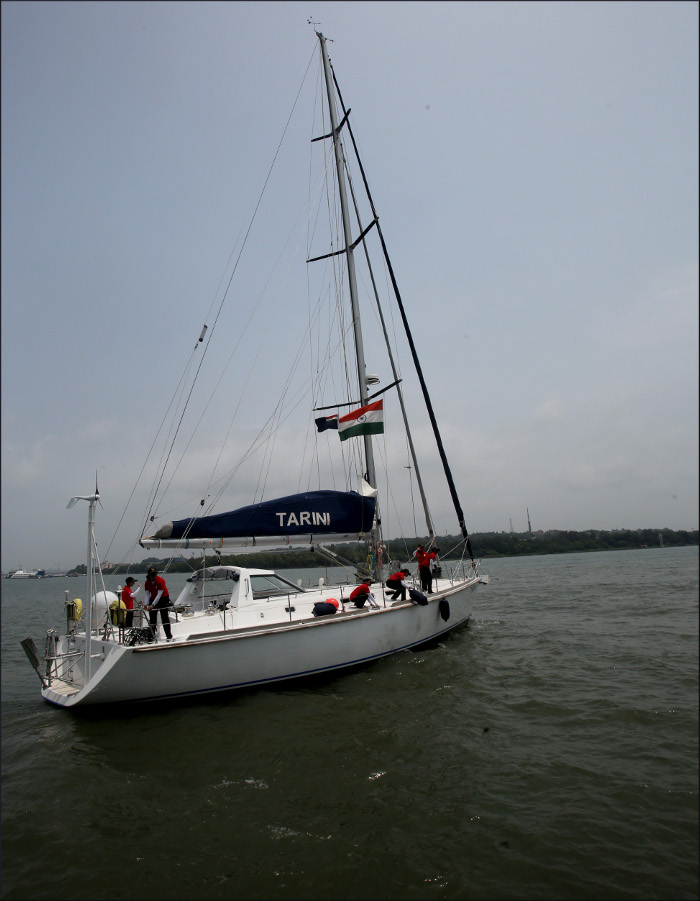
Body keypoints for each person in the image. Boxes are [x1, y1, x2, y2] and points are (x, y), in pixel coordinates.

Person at [144, 567, 173, 641]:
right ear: (149, 575)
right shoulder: (147, 582)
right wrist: (146, 604)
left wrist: (152, 605)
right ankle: (152, 636)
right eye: (152, 574)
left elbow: (159, 594)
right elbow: (147, 594)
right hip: (153, 598)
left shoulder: (160, 581)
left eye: (155, 574)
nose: (154, 576)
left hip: (163, 598)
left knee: (164, 617)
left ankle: (168, 635)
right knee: (152, 618)